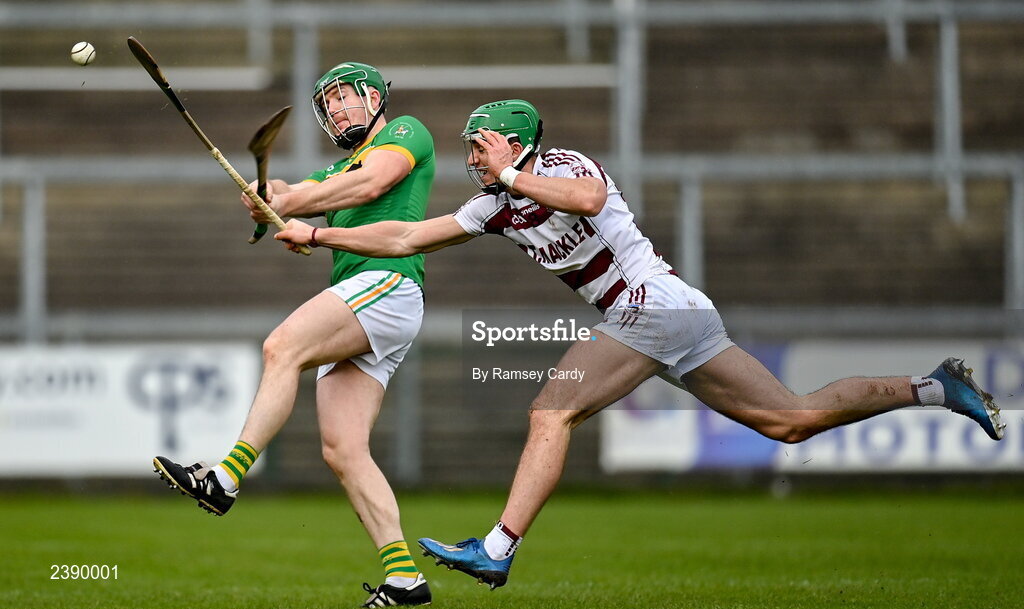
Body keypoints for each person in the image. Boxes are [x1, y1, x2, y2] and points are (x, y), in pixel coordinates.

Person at [274, 98, 1005, 591]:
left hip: (655, 305)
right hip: (673, 318)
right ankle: (937, 385)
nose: (473, 155)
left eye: (482, 143)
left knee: (549, 410)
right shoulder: (496, 202)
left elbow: (588, 203)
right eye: (471, 146)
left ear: (517, 140)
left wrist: (513, 170)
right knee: (793, 420)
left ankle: (497, 549)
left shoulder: (563, 167)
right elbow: (404, 234)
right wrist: (318, 231)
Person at [153, 62, 436, 607]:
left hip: (388, 285)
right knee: (344, 450)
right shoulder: (336, 168)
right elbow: (294, 191)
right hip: (370, 300)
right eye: (326, 104)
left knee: (281, 346)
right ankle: (405, 579)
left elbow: (371, 181)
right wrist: (268, 197)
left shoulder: (407, 134)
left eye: (344, 98)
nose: (335, 109)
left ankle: (226, 478)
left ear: (375, 99)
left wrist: (293, 208)